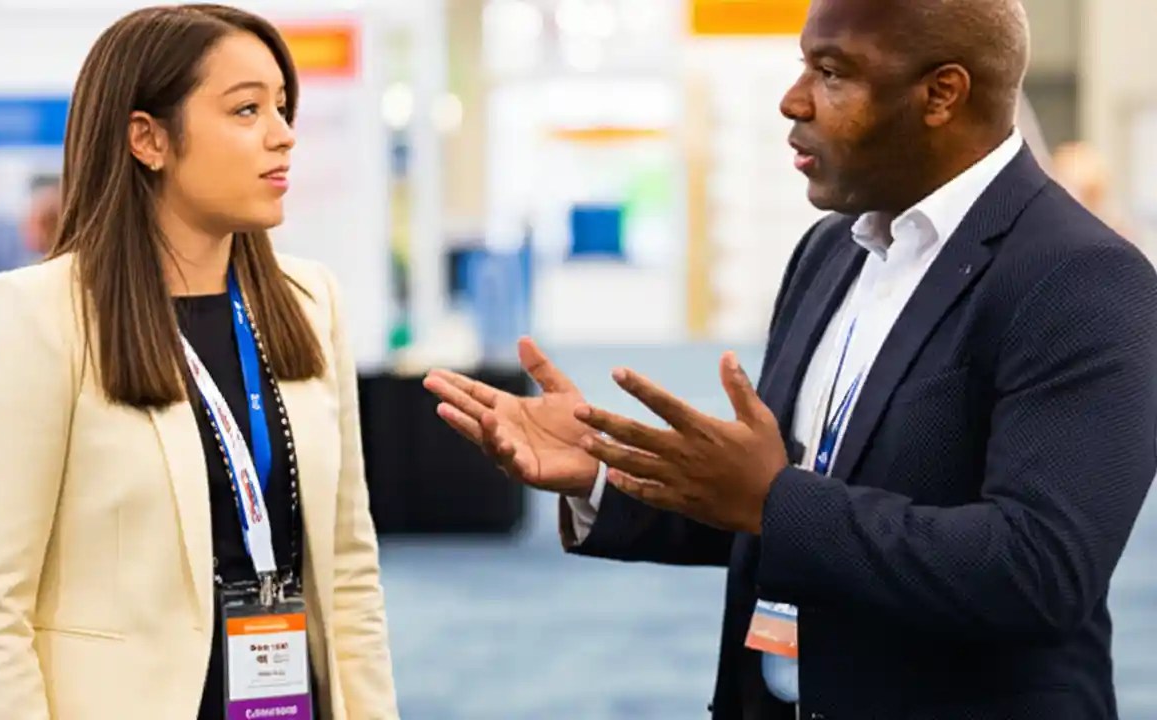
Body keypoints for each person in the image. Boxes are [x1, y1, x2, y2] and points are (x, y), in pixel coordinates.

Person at [425, 0, 1157, 718]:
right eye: (803, 64)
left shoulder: (1082, 277)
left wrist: (774, 500)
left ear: (941, 94)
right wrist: (607, 473)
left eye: (832, 73)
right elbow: (775, 499)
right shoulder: (832, 251)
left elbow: (1039, 568)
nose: (792, 99)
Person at [0, 6, 397, 719]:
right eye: (247, 110)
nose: (283, 135)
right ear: (148, 139)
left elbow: (349, 572)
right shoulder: (35, 315)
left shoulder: (311, 303)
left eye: (283, 108)